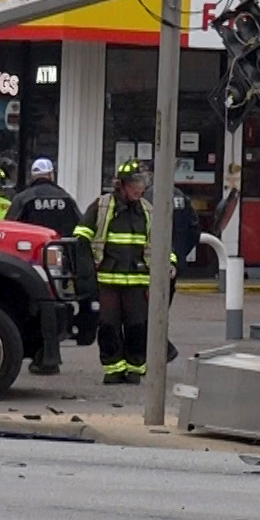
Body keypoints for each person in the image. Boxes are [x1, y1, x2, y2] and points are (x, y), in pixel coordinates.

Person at [74, 160, 176, 385]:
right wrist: (87, 273)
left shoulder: (148, 211)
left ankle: (136, 368)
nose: (140, 188)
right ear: (120, 185)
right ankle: (113, 368)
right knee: (108, 325)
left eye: (142, 182)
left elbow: (164, 244)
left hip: (139, 282)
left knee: (137, 326)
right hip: (107, 282)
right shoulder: (101, 207)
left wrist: (170, 265)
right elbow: (81, 237)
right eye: (135, 183)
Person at [7, 158, 80, 237]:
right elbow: (80, 225)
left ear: (33, 176)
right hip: (62, 247)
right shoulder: (65, 197)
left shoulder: (23, 198)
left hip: (31, 246)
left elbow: (9, 227)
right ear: (50, 175)